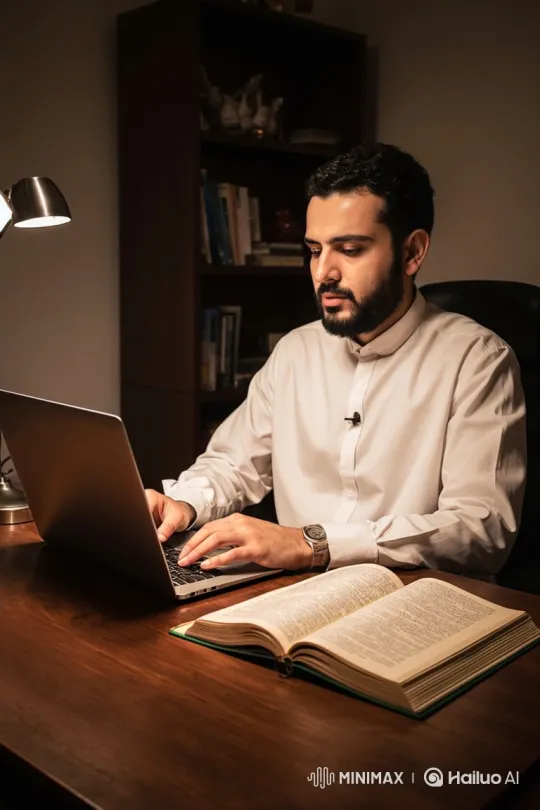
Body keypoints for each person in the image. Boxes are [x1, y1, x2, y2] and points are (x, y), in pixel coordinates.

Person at [145, 142, 526, 580]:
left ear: (411, 253)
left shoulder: (477, 360)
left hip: (416, 599)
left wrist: (311, 544)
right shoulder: (295, 351)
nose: (323, 271)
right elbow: (234, 462)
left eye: (349, 249)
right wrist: (186, 502)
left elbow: (480, 528)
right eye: (314, 250)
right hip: (298, 594)